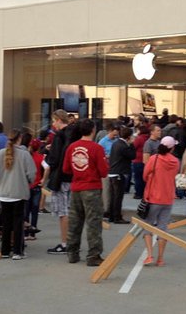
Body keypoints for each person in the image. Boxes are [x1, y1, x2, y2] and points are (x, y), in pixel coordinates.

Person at [62, 119, 109, 266]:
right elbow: (103, 172)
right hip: (92, 187)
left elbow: (66, 169)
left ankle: (72, 253)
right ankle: (93, 255)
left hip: (76, 187)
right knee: (93, 223)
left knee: (75, 222)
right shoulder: (97, 148)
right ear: (93, 130)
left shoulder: (72, 147)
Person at [0, 129, 36, 260]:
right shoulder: (25, 155)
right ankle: (17, 251)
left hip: (4, 192)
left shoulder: (1, 153)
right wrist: (27, 182)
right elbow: (32, 173)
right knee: (18, 223)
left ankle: (5, 250)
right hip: (19, 192)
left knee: (6, 223)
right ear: (19, 138)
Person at [142, 136, 180, 266]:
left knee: (148, 225)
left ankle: (149, 255)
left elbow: (145, 175)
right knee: (162, 228)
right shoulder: (175, 161)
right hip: (168, 197)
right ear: (172, 148)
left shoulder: (154, 159)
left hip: (153, 196)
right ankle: (160, 258)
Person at [44, 109, 74, 255]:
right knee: (71, 211)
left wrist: (48, 153)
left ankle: (65, 243)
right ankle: (72, 241)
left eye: (54, 121)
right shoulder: (74, 134)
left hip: (61, 177)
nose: (53, 124)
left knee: (63, 213)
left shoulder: (59, 136)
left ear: (58, 120)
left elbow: (54, 160)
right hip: (73, 177)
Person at [108, 126, 134, 224]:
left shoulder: (116, 143)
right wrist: (132, 145)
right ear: (129, 137)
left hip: (113, 172)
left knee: (113, 196)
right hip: (119, 172)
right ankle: (117, 216)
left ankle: (111, 215)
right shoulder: (124, 146)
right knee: (118, 196)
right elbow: (132, 155)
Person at [24, 135, 44, 240]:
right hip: (37, 186)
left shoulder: (26, 157)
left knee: (26, 211)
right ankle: (33, 233)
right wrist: (43, 179)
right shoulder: (41, 157)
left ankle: (26, 233)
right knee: (35, 210)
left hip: (28, 186)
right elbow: (47, 168)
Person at [131, 125, 150, 199]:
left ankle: (138, 193)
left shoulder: (139, 138)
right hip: (146, 159)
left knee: (138, 178)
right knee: (144, 178)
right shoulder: (148, 138)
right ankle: (145, 192)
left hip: (138, 159)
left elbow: (133, 147)